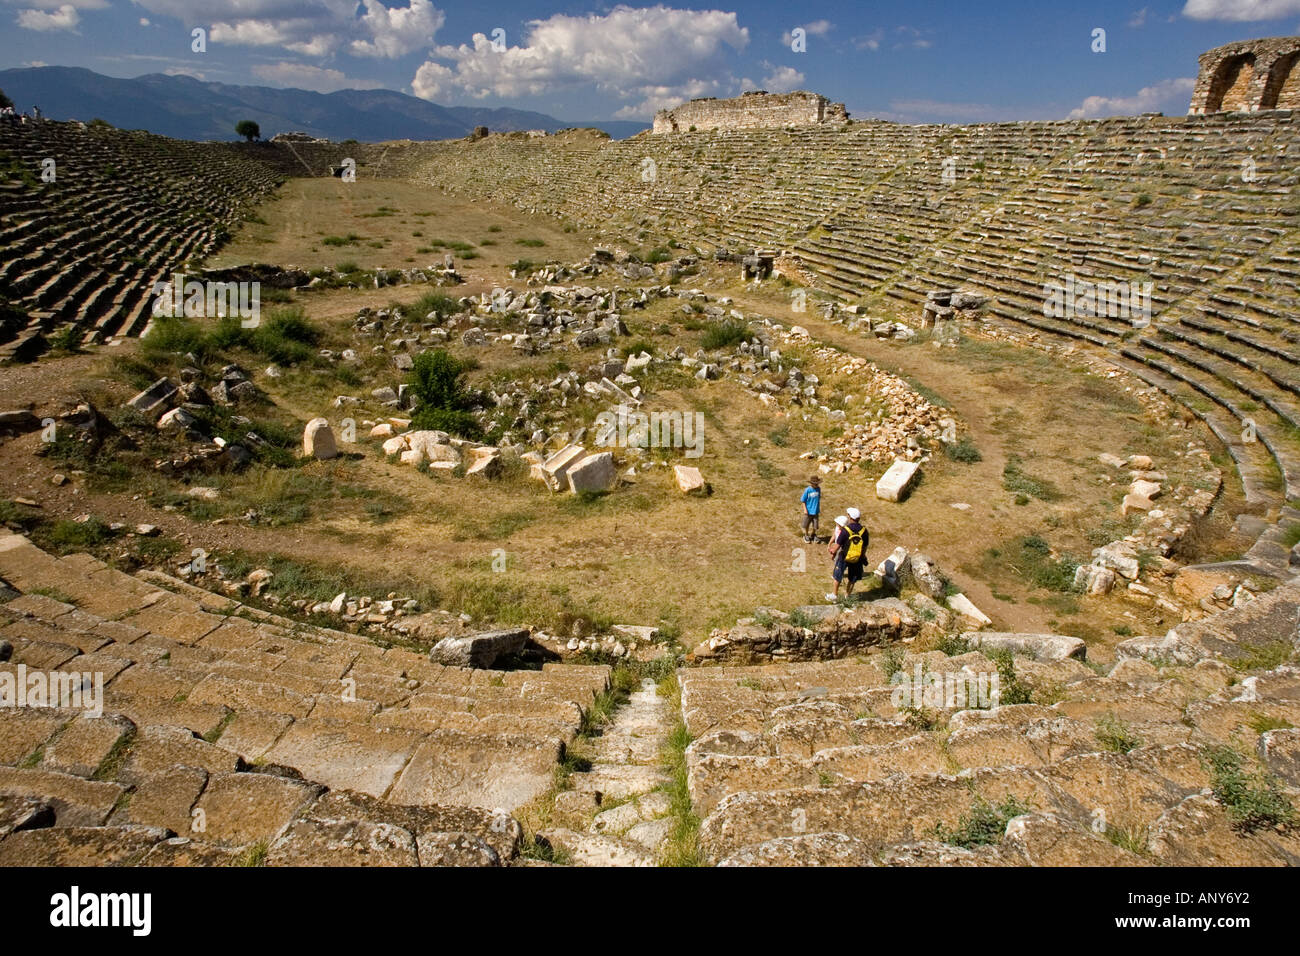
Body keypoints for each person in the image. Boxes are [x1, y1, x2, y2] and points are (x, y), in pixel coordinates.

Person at [827, 506, 868, 602]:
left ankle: (835, 594)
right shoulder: (864, 531)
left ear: (850, 517)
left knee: (838, 575)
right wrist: (862, 555)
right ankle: (847, 596)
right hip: (857, 558)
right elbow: (865, 546)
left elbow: (837, 545)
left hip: (844, 556)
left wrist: (832, 551)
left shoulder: (846, 530)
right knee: (852, 578)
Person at [799, 475, 821, 543]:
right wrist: (805, 509)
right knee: (806, 524)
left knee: (815, 525)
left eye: (817, 483)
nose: (816, 485)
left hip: (816, 511)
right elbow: (803, 500)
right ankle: (806, 535)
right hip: (808, 511)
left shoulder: (819, 489)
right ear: (811, 483)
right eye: (815, 484)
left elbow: (818, 498)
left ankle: (813, 534)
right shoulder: (808, 490)